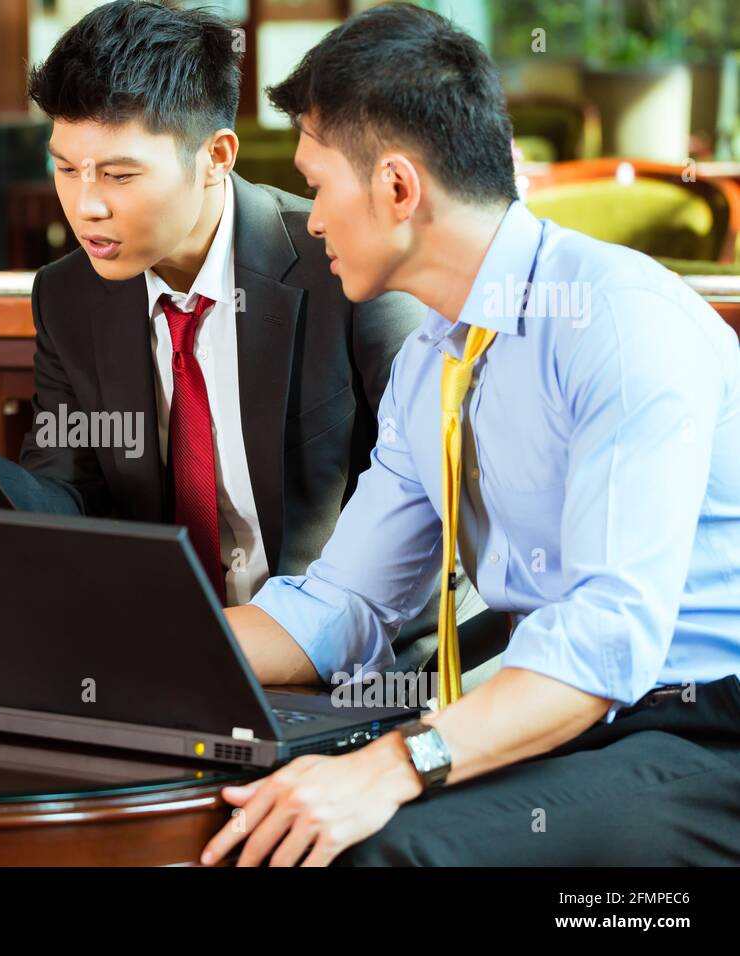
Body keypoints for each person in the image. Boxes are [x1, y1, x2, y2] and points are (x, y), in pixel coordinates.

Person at [202, 2, 740, 866]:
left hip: (703, 731)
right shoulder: (433, 365)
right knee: (246, 811)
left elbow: (608, 637)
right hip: (580, 727)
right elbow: (343, 606)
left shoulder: (616, 320)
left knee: (371, 848)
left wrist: (396, 763)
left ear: (398, 187)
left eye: (317, 185)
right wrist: (127, 653)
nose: (310, 220)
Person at [0, 1, 492, 671]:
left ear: (216, 156)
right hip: (173, 661)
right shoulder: (71, 297)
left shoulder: (349, 268)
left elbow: (428, 511)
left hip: (364, 666)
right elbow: (73, 498)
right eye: (67, 168)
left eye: (120, 175)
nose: (87, 204)